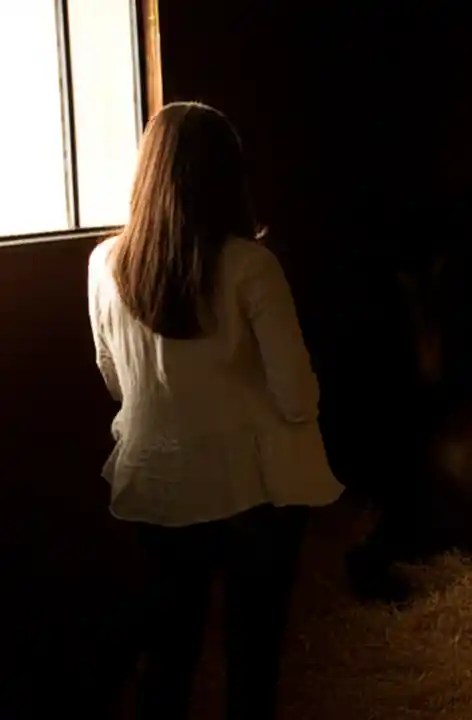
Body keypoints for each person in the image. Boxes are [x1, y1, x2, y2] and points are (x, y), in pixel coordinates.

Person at [86, 101, 344, 719]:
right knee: (252, 662)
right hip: (255, 489)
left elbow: (117, 384)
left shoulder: (105, 264)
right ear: (229, 176)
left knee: (168, 657)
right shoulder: (250, 265)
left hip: (159, 484)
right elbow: (297, 397)